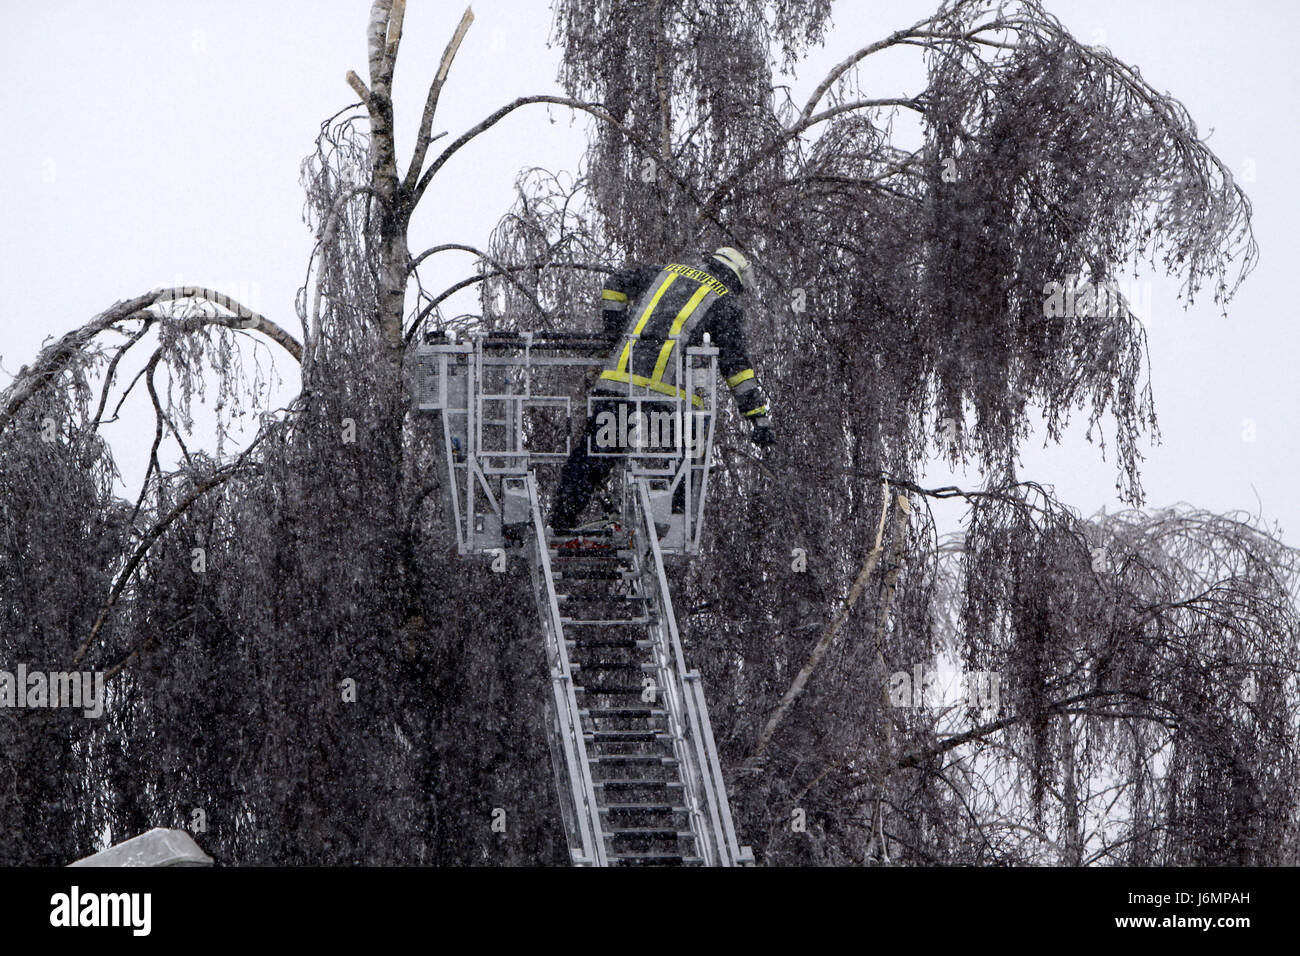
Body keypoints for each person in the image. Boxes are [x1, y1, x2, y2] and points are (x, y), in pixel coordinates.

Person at [548, 246, 773, 534]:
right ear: (734, 278)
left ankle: (560, 519)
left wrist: (614, 333)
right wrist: (758, 417)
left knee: (594, 455)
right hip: (664, 398)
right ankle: (672, 523)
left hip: (619, 386)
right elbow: (736, 366)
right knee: (688, 453)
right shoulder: (724, 301)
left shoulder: (664, 271)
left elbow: (616, 282)